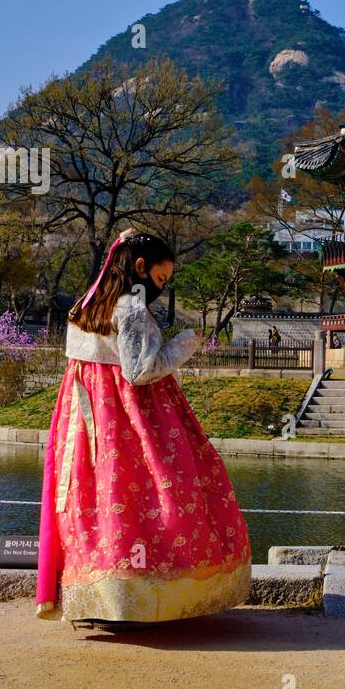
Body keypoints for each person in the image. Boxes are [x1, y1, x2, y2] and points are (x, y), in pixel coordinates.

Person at [34, 228, 252, 630]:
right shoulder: (131, 309)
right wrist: (186, 342)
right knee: (163, 490)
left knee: (97, 499)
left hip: (85, 418)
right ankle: (150, 597)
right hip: (131, 416)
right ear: (140, 268)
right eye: (161, 279)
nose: (161, 288)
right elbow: (139, 371)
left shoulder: (87, 303)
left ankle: (98, 597)